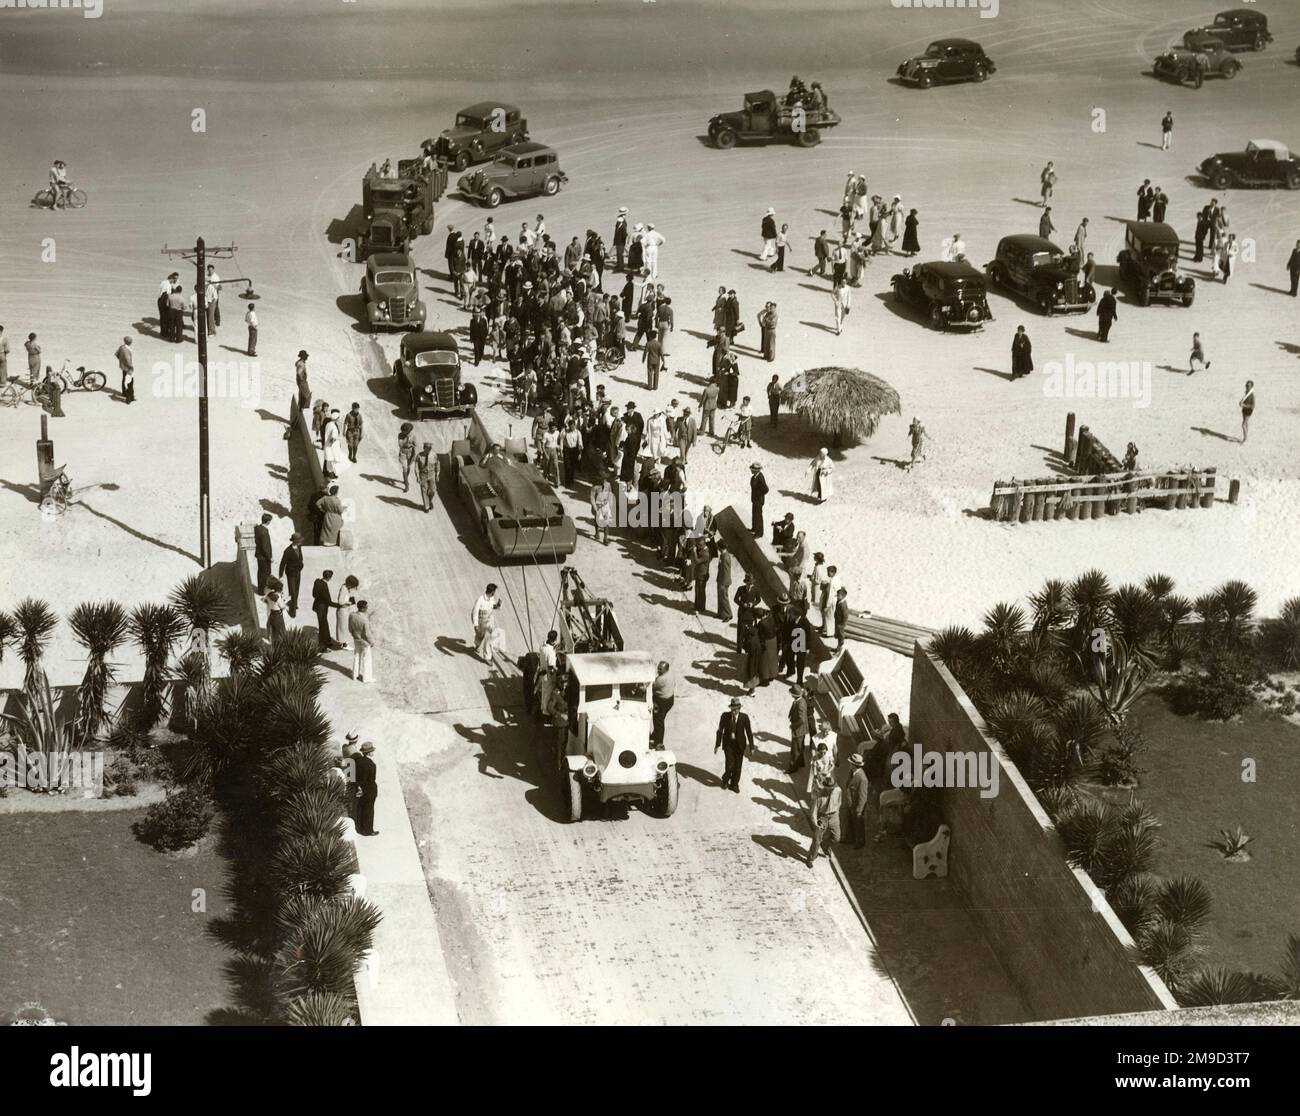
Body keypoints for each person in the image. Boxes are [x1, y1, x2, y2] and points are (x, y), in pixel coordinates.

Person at [715, 697, 753, 793]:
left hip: (739, 745)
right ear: (730, 708)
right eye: (732, 709)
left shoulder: (744, 717)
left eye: (736, 709)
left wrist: (752, 747)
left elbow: (749, 732)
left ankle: (734, 784)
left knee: (738, 766)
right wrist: (717, 744)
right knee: (729, 765)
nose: (734, 711)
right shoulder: (724, 716)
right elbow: (720, 730)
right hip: (728, 745)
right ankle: (725, 780)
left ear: (740, 708)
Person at [312, 570, 342, 650]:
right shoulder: (324, 586)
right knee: (322, 626)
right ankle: (322, 647)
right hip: (322, 608)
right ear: (329, 577)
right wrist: (339, 605)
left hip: (317, 605)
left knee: (324, 624)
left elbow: (314, 594)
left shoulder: (317, 581)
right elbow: (328, 602)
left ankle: (327, 641)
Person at [471, 584, 502, 661]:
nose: (495, 593)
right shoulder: (480, 600)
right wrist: (475, 624)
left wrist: (498, 605)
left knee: (492, 635)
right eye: (494, 591)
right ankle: (477, 645)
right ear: (492, 592)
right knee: (480, 636)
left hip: (489, 620)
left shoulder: (491, 598)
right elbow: (475, 612)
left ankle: (487, 656)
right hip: (481, 620)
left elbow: (492, 606)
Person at [845, 753, 871, 848]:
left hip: (857, 805)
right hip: (851, 802)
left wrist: (859, 810)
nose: (849, 764)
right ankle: (849, 838)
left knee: (858, 824)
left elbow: (863, 796)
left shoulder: (862, 779)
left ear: (854, 765)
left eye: (850, 763)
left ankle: (860, 842)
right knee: (850, 821)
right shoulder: (852, 772)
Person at [354, 741, 378, 836]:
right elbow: (372, 779)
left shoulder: (358, 761)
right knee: (369, 810)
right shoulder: (372, 765)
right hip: (369, 789)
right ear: (369, 752)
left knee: (360, 808)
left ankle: (359, 828)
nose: (373, 752)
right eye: (372, 750)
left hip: (359, 786)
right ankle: (368, 830)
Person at [278, 532, 304, 617]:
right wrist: (280, 575)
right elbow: (282, 563)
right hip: (291, 573)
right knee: (292, 592)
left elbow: (300, 558)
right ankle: (293, 612)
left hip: (298, 572)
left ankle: (294, 604)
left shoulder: (299, 547)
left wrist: (301, 566)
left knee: (296, 589)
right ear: (295, 541)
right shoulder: (287, 551)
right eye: (299, 540)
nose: (300, 542)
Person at [349, 601, 374, 683]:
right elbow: (367, 633)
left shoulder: (352, 615)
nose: (367, 608)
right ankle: (367, 678)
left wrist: (354, 635)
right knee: (367, 659)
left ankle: (354, 675)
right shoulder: (364, 620)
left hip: (356, 639)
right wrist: (371, 642)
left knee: (356, 656)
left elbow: (350, 628)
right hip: (364, 641)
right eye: (366, 607)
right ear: (362, 608)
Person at [651, 660, 674, 748]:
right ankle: (655, 735)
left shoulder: (661, 679)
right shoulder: (671, 674)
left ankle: (659, 743)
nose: (658, 670)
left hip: (661, 702)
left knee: (658, 722)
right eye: (658, 668)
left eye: (660, 669)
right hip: (670, 700)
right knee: (660, 720)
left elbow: (651, 687)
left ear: (665, 670)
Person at [335, 575, 360, 648]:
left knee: (344, 628)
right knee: (343, 628)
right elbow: (340, 601)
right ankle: (344, 645)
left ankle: (343, 644)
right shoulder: (344, 589)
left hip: (345, 611)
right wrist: (349, 602)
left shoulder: (345, 587)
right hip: (342, 611)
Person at [254, 512, 274, 594]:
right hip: (264, 557)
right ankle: (263, 591)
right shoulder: (264, 532)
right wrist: (270, 557)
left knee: (260, 573)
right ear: (268, 521)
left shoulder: (258, 528)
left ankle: (260, 589)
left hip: (259, 555)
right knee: (265, 574)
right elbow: (265, 547)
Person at [416, 442, 438, 512]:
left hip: (432, 474)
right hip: (423, 475)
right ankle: (426, 506)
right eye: (427, 448)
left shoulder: (434, 455)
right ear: (424, 448)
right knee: (424, 490)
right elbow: (416, 467)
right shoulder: (419, 455)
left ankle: (429, 501)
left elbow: (437, 464)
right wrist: (417, 477)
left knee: (433, 490)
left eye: (430, 449)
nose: (429, 450)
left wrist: (437, 474)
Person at [396, 422, 418, 492]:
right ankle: (407, 485)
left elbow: (415, 445)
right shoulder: (400, 435)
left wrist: (414, 454)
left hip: (411, 454)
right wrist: (407, 444)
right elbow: (400, 444)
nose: (403, 432)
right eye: (402, 431)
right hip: (403, 453)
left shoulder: (413, 436)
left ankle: (405, 479)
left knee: (408, 467)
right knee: (405, 468)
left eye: (405, 431)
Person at [749, 462, 768, 536]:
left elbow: (766, 489)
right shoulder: (754, 477)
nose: (751, 470)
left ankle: (759, 533)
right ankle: (754, 528)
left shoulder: (760, 477)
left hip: (758, 500)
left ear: (756, 470)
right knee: (754, 515)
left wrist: (758, 495)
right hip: (755, 500)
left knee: (758, 516)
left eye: (752, 469)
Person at [716, 540, 733, 620]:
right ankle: (721, 613)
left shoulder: (725, 557)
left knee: (724, 598)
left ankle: (728, 614)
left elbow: (726, 571)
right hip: (721, 579)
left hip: (723, 581)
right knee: (720, 597)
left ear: (720, 548)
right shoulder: (723, 555)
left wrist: (723, 583)